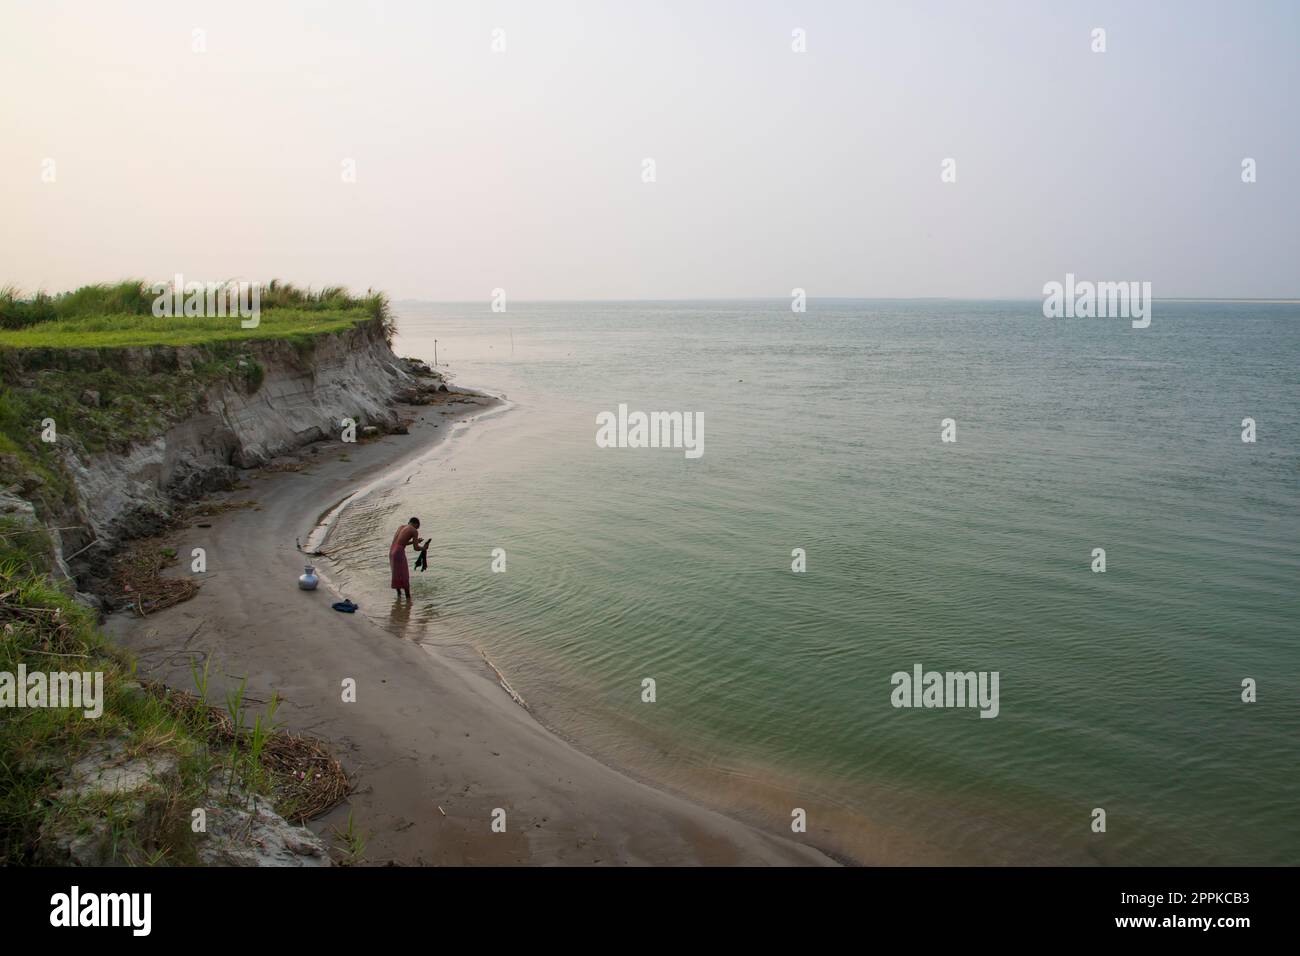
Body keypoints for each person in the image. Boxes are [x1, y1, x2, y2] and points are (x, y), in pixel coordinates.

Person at [389, 517, 422, 601]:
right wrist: (424, 548)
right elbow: (416, 548)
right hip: (399, 552)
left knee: (396, 573)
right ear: (416, 524)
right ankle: (408, 599)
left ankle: (399, 595)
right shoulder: (414, 530)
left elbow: (401, 542)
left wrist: (415, 541)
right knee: (404, 574)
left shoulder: (401, 527)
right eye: (417, 527)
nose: (417, 529)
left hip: (392, 551)